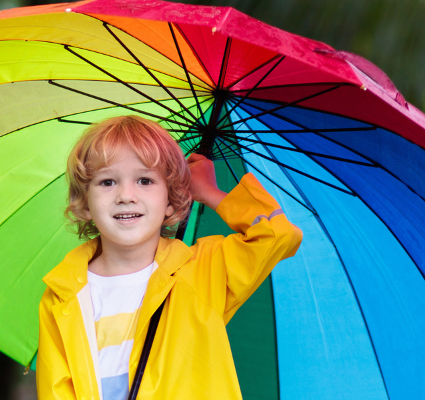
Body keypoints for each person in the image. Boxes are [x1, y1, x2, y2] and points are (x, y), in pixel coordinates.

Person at [36, 115, 302, 400]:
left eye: (145, 180)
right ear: (85, 203)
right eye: (108, 181)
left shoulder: (202, 273)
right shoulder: (63, 296)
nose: (126, 195)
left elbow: (277, 235)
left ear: (171, 200)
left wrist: (210, 193)